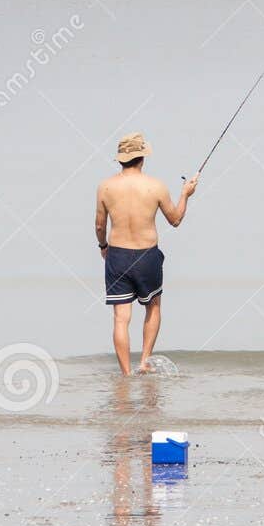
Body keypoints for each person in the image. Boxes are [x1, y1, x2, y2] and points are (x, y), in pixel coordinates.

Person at [95, 132, 198, 375]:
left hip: (117, 255)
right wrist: (185, 194)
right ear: (142, 157)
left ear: (121, 159)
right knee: (153, 306)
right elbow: (175, 220)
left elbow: (100, 225)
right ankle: (143, 362)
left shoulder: (105, 187)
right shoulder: (156, 186)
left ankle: (126, 373)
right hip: (146, 256)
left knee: (121, 317)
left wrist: (103, 247)